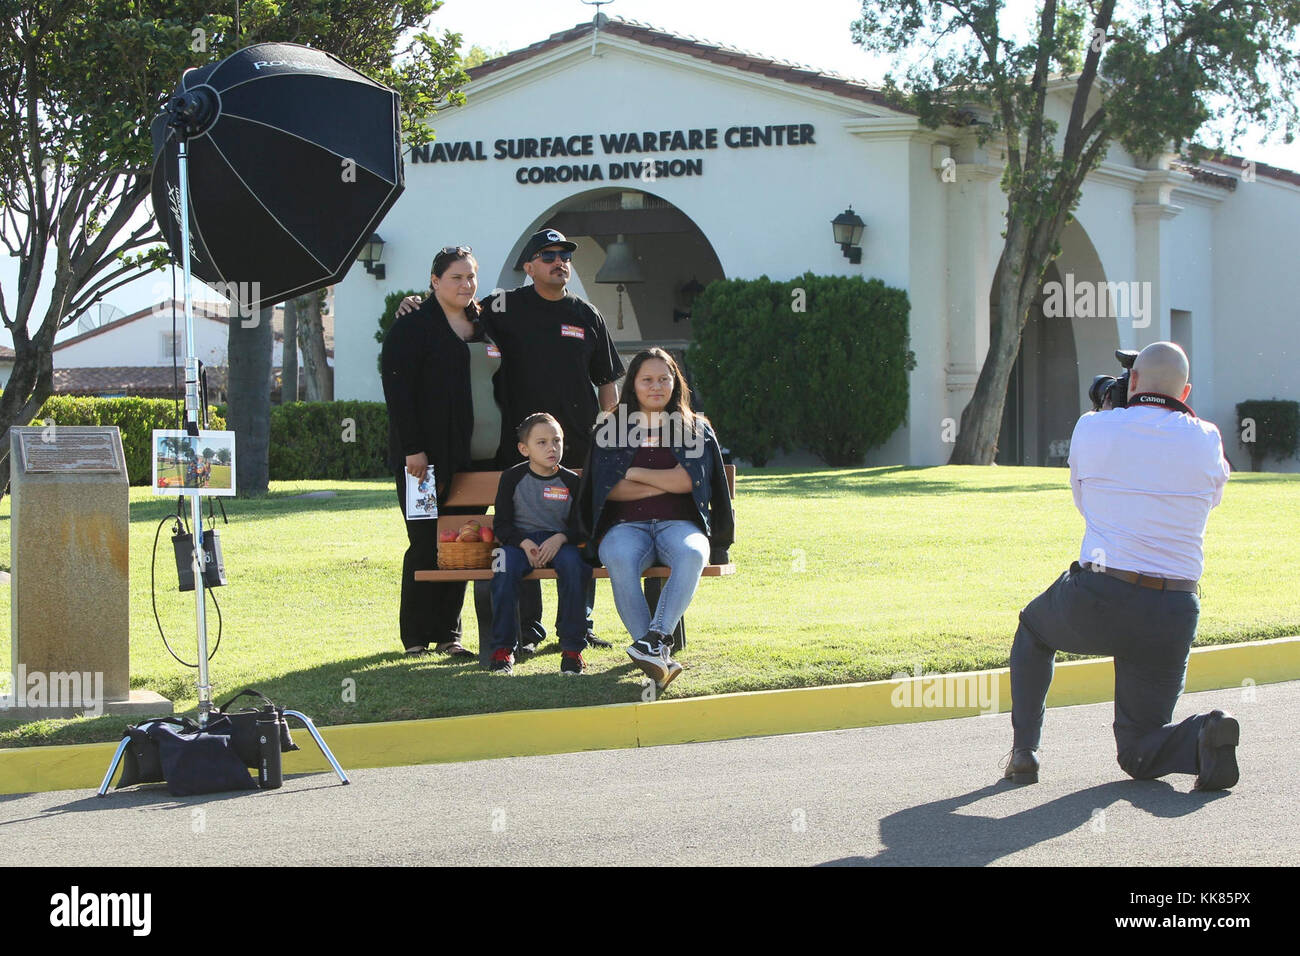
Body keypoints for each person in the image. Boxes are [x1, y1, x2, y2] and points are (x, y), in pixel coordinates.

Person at [1005, 341, 1236, 789]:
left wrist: (1113, 414)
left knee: (1033, 631)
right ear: (1185, 392)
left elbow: (1085, 503)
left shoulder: (1092, 428)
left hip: (1100, 595)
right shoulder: (1207, 438)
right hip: (1173, 609)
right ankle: (1202, 734)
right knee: (1139, 750)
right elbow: (1211, 496)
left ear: (1131, 382)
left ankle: (1025, 752)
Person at [398, 228, 625, 651]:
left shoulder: (587, 314)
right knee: (519, 530)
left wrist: (607, 427)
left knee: (576, 534)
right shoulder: (504, 308)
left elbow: (607, 379)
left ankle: (580, 626)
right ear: (529, 267)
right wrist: (416, 304)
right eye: (548, 255)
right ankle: (526, 628)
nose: (559, 262)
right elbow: (454, 307)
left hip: (575, 448)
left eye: (564, 255)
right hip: (514, 451)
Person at [579, 348, 734, 688]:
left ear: (675, 383)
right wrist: (665, 485)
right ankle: (656, 652)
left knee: (693, 553)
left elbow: (688, 482)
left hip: (680, 526)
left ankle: (652, 643)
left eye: (664, 378)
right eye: (647, 379)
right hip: (625, 528)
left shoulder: (693, 427)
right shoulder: (611, 428)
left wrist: (634, 472)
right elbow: (609, 491)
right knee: (619, 558)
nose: (656, 386)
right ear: (632, 385)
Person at [381, 246, 502, 658]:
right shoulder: (412, 326)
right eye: (456, 277)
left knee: (462, 544)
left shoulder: (486, 323)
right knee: (424, 542)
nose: (466, 284)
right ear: (434, 281)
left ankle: (450, 636)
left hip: (479, 461)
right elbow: (398, 393)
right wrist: (413, 450)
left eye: (471, 277)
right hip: (425, 463)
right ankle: (416, 638)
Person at [488, 413, 592, 676]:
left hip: (560, 543)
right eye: (542, 442)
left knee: (576, 566)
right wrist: (522, 543)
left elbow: (583, 526)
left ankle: (571, 649)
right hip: (519, 544)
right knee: (501, 566)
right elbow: (501, 524)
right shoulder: (512, 478)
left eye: (556, 441)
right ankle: (503, 649)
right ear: (525, 449)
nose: (551, 448)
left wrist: (561, 538)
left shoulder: (571, 482)